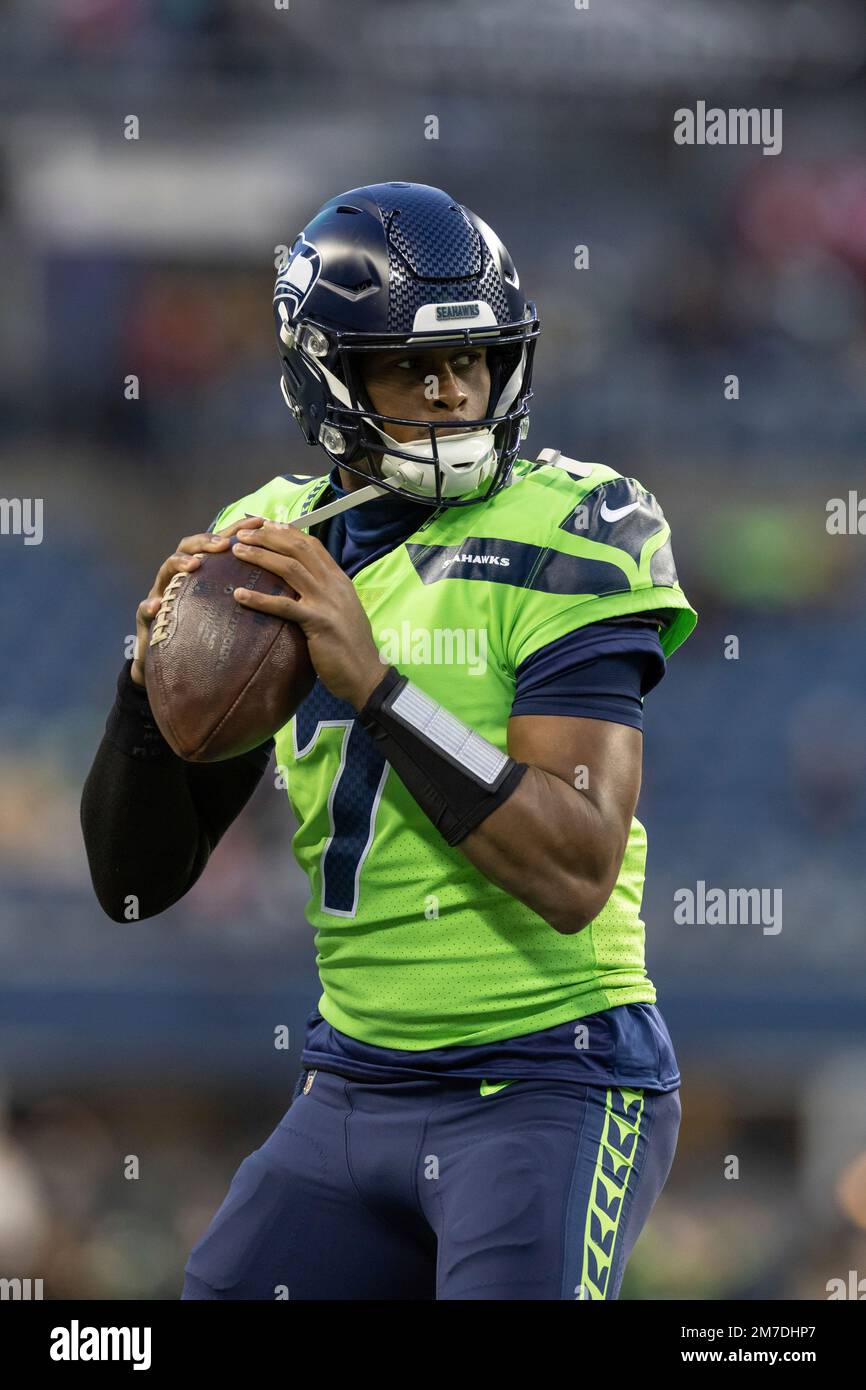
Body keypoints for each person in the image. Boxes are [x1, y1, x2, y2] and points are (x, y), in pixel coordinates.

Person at [81, 181, 697, 1300]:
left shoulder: (576, 523)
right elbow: (134, 886)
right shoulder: (262, 544)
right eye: (411, 366)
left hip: (547, 1079)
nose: (452, 390)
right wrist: (144, 697)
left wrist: (374, 686)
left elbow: (575, 870)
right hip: (352, 1081)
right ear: (330, 376)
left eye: (472, 360)